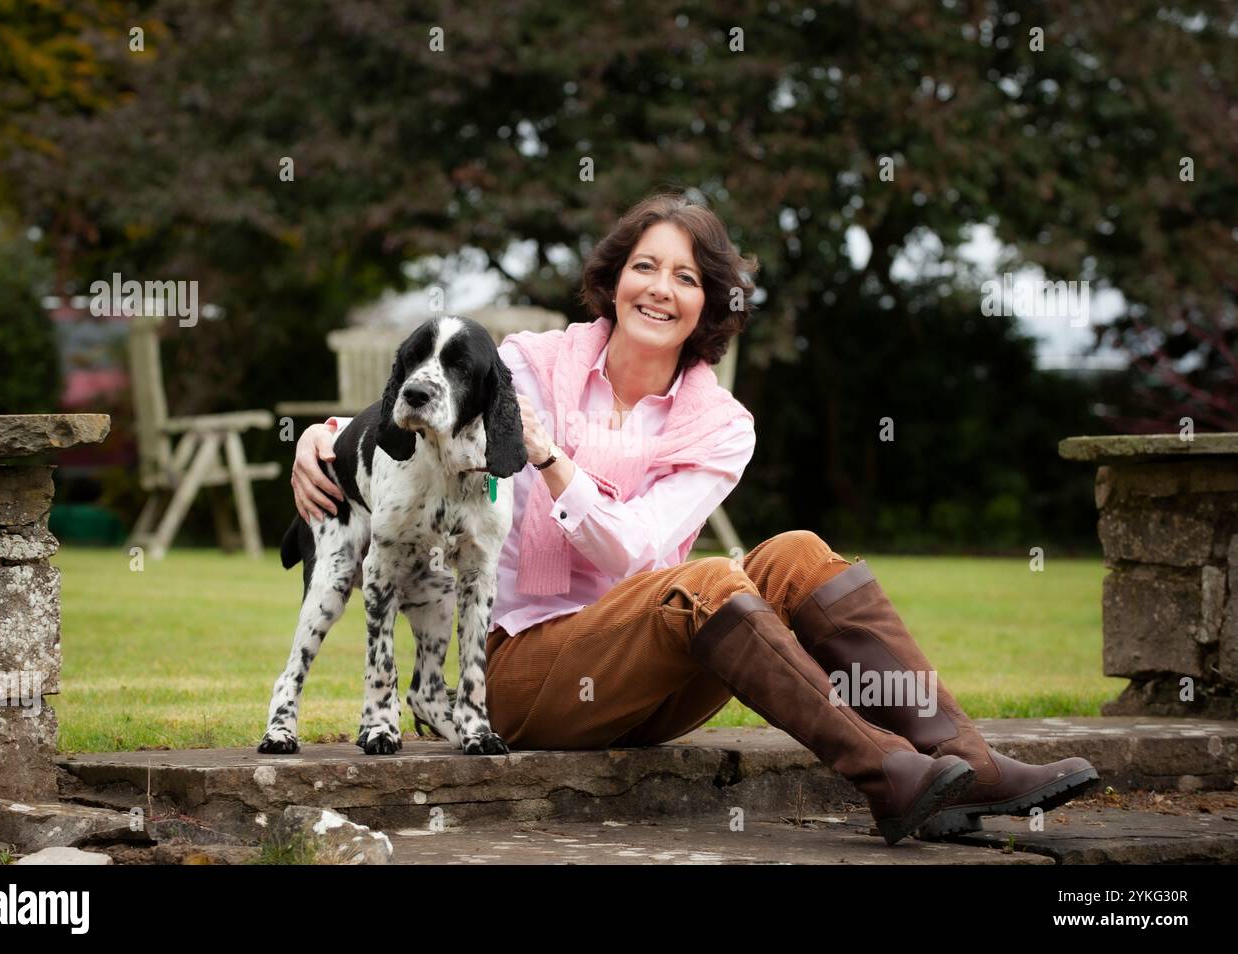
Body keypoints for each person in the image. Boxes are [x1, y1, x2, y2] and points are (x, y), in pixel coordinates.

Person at [290, 192, 1097, 845]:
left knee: (795, 553)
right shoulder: (530, 364)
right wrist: (325, 438)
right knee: (709, 577)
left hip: (650, 667)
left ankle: (965, 761)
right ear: (613, 283)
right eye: (643, 267)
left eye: (684, 277)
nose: (659, 289)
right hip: (511, 673)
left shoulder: (721, 424)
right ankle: (889, 774)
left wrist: (553, 460)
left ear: (709, 302)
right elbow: (419, 411)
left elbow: (634, 549)